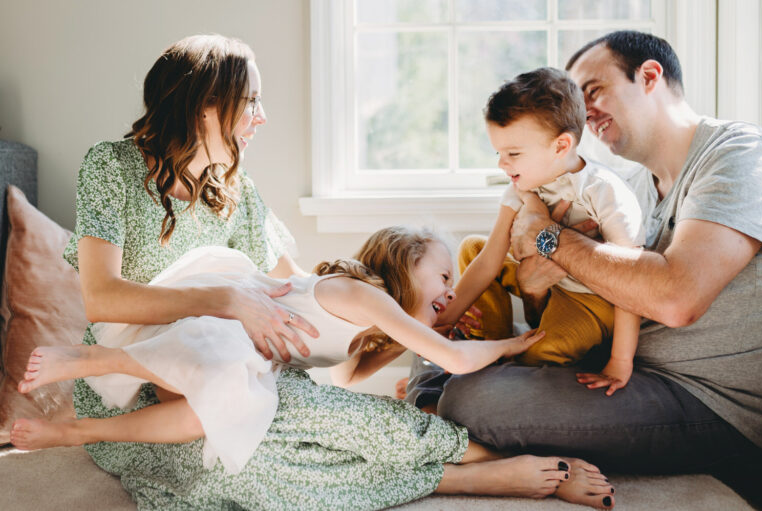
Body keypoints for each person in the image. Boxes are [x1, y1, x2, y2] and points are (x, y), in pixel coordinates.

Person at [17, 34, 615, 510]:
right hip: (139, 388)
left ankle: (462, 462)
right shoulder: (114, 167)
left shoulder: (237, 190)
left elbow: (301, 297)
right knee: (248, 465)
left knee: (337, 423)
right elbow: (102, 298)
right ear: (206, 106)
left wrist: (394, 328)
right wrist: (229, 299)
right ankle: (473, 476)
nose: (262, 116)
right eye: (252, 101)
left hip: (237, 372)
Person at [407, 30, 762, 506]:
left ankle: (434, 417)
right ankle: (427, 407)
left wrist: (548, 237)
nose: (584, 111)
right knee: (432, 315)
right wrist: (533, 286)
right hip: (604, 354)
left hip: (700, 397)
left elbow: (676, 298)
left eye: (593, 91)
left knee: (470, 399)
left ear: (649, 76)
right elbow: (568, 300)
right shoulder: (630, 182)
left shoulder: (740, 153)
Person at [13, 229, 548, 474]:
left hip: (231, 356)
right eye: (445, 276)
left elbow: (347, 375)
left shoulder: (371, 323)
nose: (451, 291)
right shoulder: (363, 296)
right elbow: (455, 361)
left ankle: (78, 432)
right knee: (217, 363)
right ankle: (93, 359)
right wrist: (511, 343)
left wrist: (410, 337)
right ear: (406, 265)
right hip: (219, 325)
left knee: (208, 415)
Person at [438, 67, 645, 393]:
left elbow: (632, 280)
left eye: (513, 154)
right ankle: (493, 347)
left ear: (561, 146)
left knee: (539, 353)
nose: (502, 164)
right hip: (549, 284)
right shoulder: (523, 185)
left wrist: (620, 361)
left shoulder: (602, 191)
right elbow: (489, 260)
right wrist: (443, 321)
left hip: (590, 300)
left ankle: (512, 367)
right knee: (472, 247)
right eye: (498, 153)